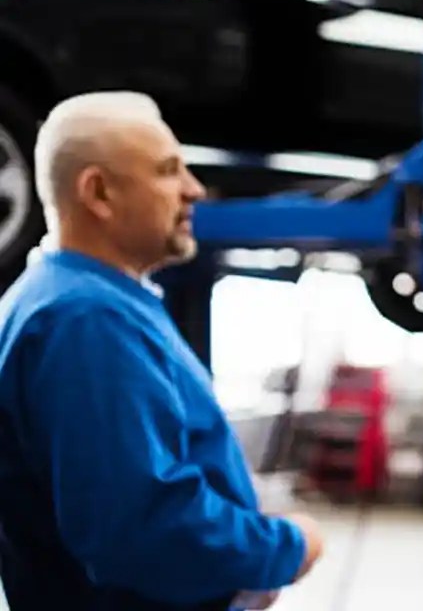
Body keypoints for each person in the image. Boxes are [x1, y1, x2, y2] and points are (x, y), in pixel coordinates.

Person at [0, 92, 325, 610]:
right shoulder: (85, 319)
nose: (194, 190)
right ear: (99, 192)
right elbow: (142, 528)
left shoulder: (82, 301)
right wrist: (287, 547)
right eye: (168, 171)